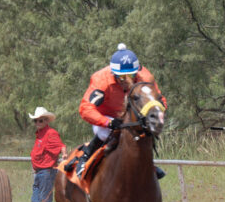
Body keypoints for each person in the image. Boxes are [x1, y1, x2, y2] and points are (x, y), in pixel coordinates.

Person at [68, 43, 166, 179]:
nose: (127, 80)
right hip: (106, 116)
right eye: (121, 77)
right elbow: (85, 108)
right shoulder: (101, 80)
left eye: (131, 75)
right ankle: (87, 155)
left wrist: (157, 113)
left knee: (145, 131)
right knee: (105, 133)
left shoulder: (145, 77)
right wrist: (107, 122)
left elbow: (159, 100)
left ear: (137, 71)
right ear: (113, 73)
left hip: (131, 116)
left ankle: (149, 164)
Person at [28, 107, 65, 202]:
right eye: (36, 121)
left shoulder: (50, 133)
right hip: (40, 172)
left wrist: (64, 155)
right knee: (37, 199)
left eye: (40, 121)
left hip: (46, 172)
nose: (37, 123)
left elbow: (61, 146)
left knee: (42, 199)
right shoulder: (40, 134)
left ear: (46, 121)